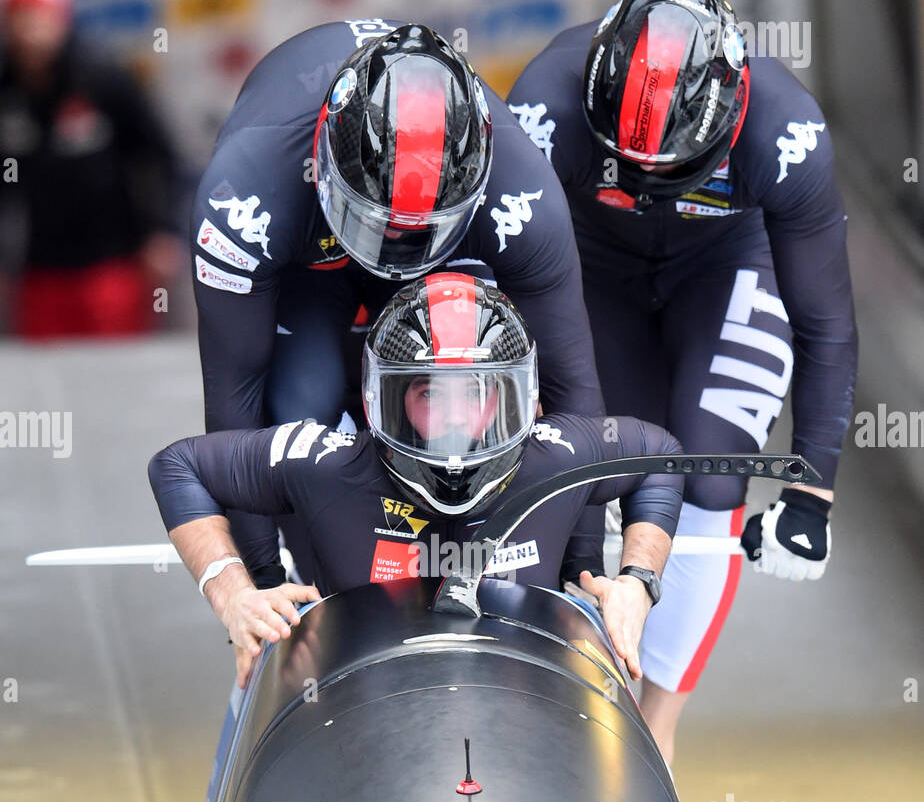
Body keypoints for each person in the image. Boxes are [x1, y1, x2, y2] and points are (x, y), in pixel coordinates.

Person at [508, 0, 857, 762]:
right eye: (629, 166)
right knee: (598, 461)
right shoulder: (545, 103)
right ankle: (586, 689)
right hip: (594, 271)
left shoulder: (787, 131)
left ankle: (654, 731)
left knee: (709, 468)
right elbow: (505, 267)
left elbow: (825, 321)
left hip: (732, 265)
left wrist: (811, 493)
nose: (648, 183)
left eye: (671, 166)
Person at [190, 20, 606, 590]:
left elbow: (571, 386)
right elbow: (234, 402)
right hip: (307, 265)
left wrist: (582, 572)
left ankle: (464, 576)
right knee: (300, 405)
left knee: (469, 387)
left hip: (445, 255)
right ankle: (332, 591)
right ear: (325, 159)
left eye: (414, 230)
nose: (391, 248)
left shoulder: (523, 194)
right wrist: (262, 585)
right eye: (375, 221)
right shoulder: (244, 197)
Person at [150, 274, 682, 687]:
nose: (453, 420)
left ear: (514, 401)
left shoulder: (557, 455)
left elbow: (662, 457)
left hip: (521, 700)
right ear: (386, 401)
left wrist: (638, 583)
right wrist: (235, 595)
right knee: (254, 669)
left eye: (474, 395)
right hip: (355, 704)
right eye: (430, 395)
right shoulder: (326, 465)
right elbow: (179, 466)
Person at [0, 0, 182, 338]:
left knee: (115, 383)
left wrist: (163, 231)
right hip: (39, 276)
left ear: (60, 15)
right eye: (19, 16)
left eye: (38, 15)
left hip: (112, 271)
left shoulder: (101, 78)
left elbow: (158, 153)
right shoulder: (6, 91)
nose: (29, 31)